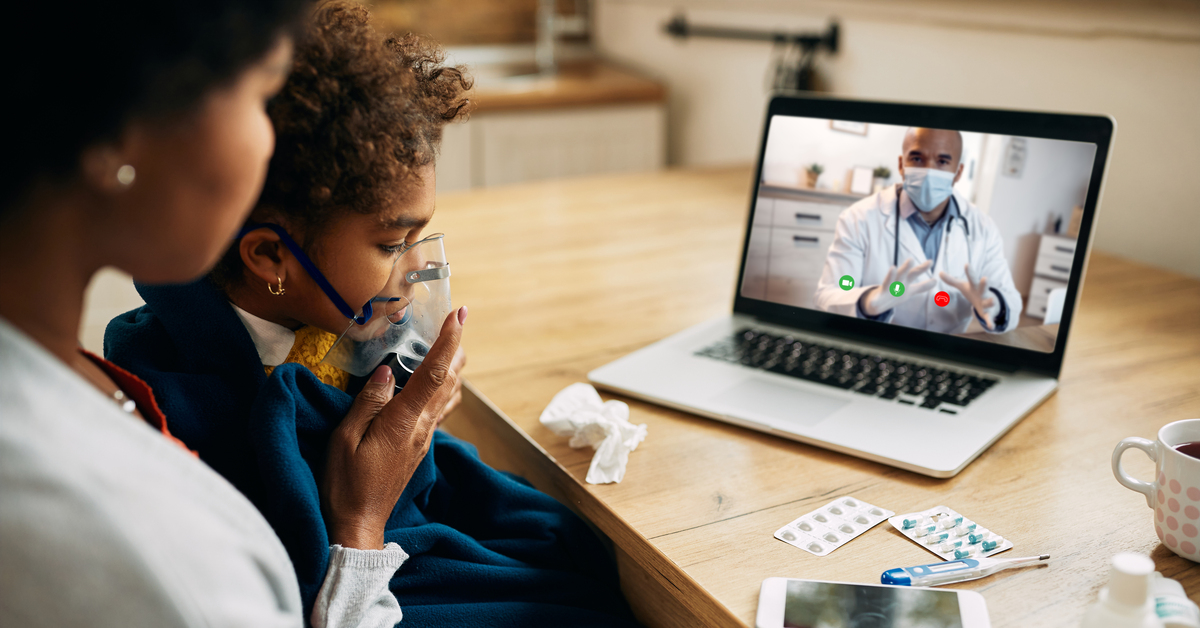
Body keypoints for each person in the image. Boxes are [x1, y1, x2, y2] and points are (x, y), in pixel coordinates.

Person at [102, 4, 640, 627]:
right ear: (272, 256)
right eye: (391, 245)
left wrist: (416, 411)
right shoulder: (179, 408)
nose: (416, 268)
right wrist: (361, 518)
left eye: (421, 236)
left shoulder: (346, 325)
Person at [0, 2, 460, 626]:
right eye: (260, 91)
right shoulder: (126, 540)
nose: (269, 140)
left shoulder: (58, 374)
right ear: (116, 131)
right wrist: (360, 526)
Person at [814, 127, 1022, 334]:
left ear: (958, 172)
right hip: (878, 341)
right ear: (901, 165)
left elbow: (1010, 299)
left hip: (947, 349)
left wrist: (993, 304)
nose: (928, 172)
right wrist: (869, 302)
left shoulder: (983, 227)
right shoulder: (857, 218)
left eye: (942, 161)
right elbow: (830, 293)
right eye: (917, 158)